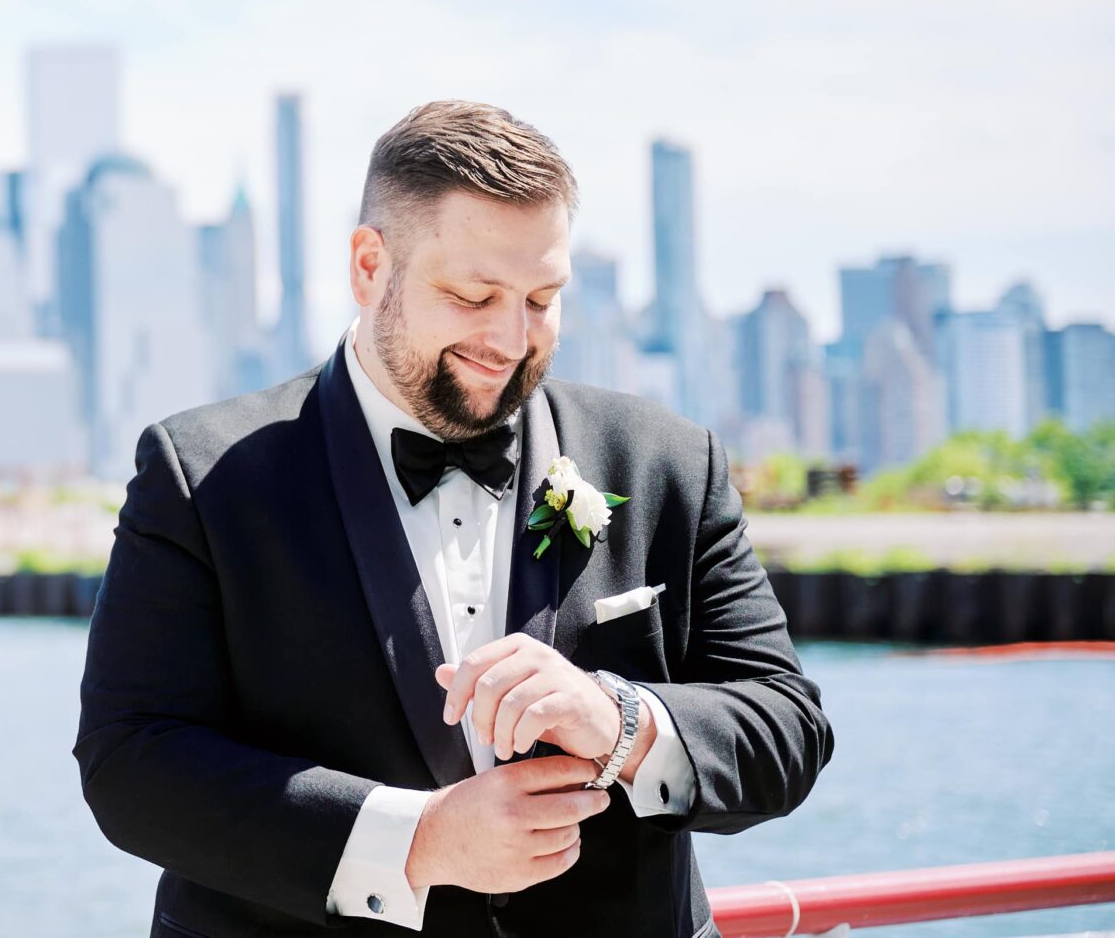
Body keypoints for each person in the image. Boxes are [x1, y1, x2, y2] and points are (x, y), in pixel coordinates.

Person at [74, 100, 833, 937]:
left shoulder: (667, 461)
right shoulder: (198, 473)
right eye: (475, 294)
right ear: (370, 266)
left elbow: (787, 728)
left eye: (543, 299)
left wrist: (620, 723)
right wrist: (416, 841)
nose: (511, 339)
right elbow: (131, 763)